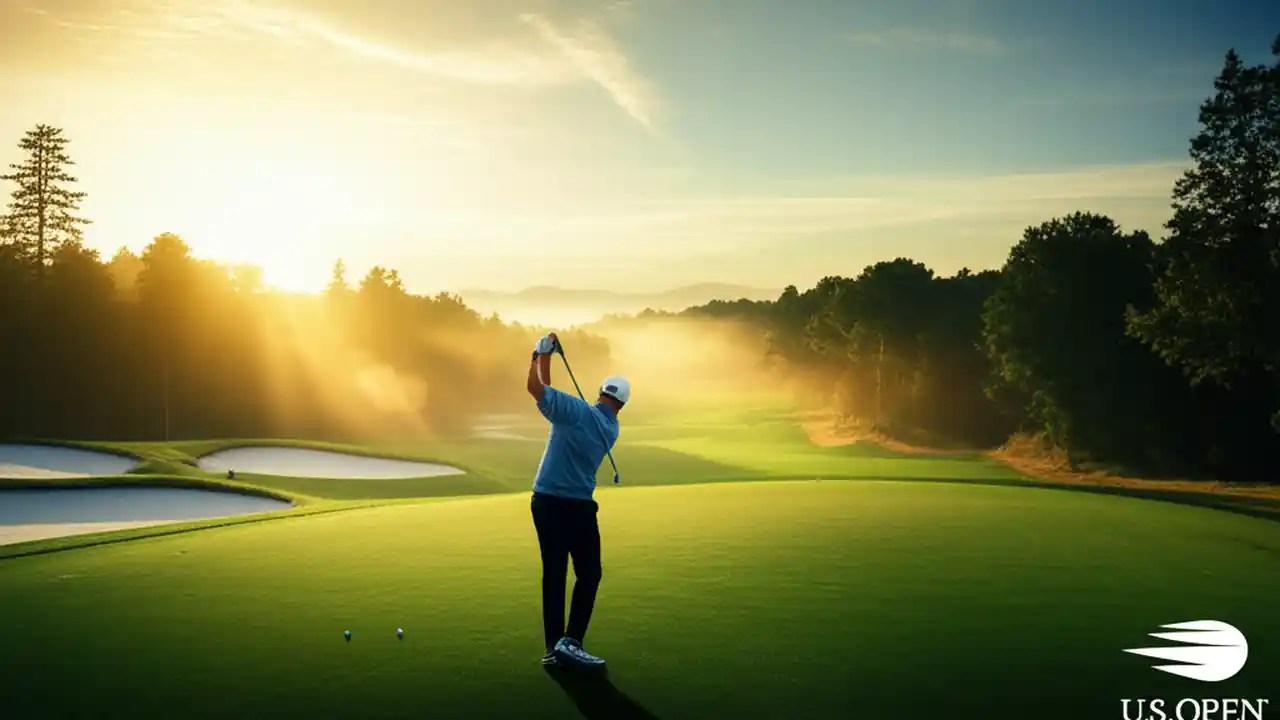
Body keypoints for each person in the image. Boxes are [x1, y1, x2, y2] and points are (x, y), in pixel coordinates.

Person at [527, 332, 630, 669]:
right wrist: (546, 357)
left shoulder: (574, 410)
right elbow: (552, 397)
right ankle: (570, 642)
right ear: (622, 405)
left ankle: (554, 648)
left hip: (544, 501)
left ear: (601, 392)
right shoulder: (611, 429)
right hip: (577, 507)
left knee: (554, 574)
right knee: (589, 573)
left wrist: (541, 354)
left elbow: (537, 389)